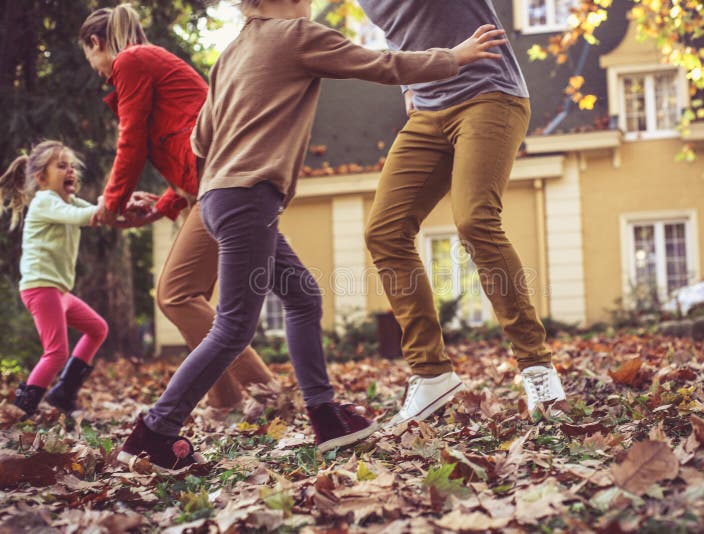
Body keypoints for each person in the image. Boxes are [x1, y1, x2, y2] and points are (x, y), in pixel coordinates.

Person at [117, 0, 508, 471]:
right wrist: (456, 56)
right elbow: (383, 64)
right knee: (235, 325)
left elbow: (200, 138)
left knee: (302, 297)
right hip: (249, 198)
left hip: (219, 198)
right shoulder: (297, 36)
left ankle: (325, 416)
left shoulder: (231, 52)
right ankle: (155, 430)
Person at [358, 0, 566, 426]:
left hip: (488, 95)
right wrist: (407, 87)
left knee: (475, 219)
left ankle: (536, 367)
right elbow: (398, 28)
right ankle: (430, 373)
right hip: (428, 110)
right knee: (384, 231)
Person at [78, 4, 276, 410]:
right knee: (191, 297)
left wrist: (110, 204)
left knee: (175, 294)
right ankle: (225, 405)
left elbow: (130, 142)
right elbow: (184, 147)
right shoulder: (149, 64)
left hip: (223, 184)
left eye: (91, 59)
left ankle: (267, 392)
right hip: (214, 182)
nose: (97, 70)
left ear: (95, 43)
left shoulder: (131, 61)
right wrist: (156, 208)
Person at [1, 141, 108, 418]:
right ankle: (22, 407)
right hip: (41, 287)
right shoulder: (45, 200)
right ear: (41, 177)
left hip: (58, 291)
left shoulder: (67, 201)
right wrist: (105, 205)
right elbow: (83, 216)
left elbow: (100, 215)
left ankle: (63, 393)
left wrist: (127, 206)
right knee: (56, 352)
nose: (70, 170)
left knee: (97, 328)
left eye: (71, 166)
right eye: (61, 166)